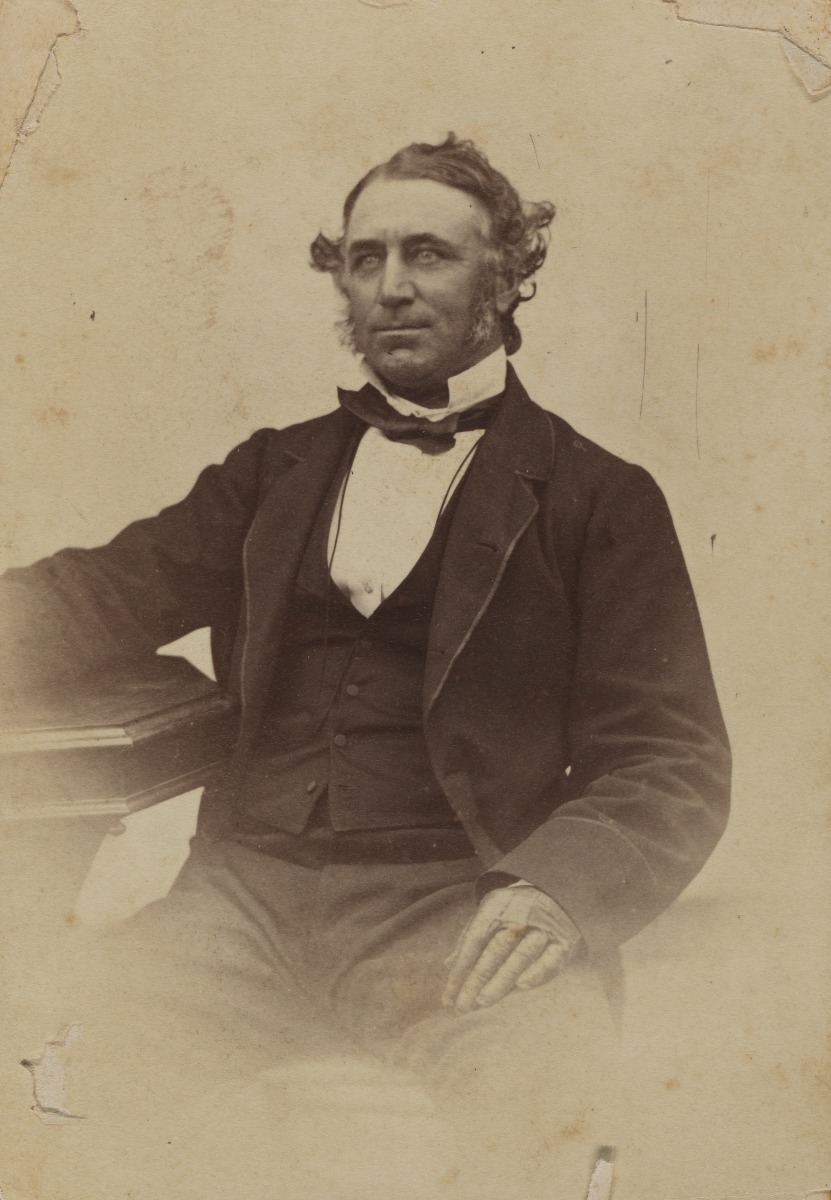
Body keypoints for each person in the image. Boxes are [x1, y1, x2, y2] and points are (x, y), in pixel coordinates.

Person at [1, 134, 731, 1199]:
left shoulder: (599, 498)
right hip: (236, 905)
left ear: (505, 276)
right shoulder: (275, 469)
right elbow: (99, 595)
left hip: (459, 913)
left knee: (550, 1129)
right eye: (364, 257)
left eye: (428, 253)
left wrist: (555, 895)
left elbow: (669, 756)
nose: (391, 286)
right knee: (46, 1081)